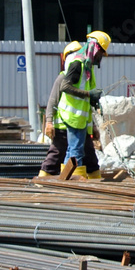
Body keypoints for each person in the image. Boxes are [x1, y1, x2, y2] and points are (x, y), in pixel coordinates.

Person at [38, 41, 102, 179]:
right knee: (56, 154)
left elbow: (85, 106)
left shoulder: (84, 77)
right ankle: (43, 181)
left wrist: (94, 127)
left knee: (89, 156)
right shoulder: (63, 77)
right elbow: (52, 101)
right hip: (63, 126)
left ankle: (94, 182)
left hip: (80, 124)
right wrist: (49, 122)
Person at [55, 30, 110, 179]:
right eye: (101, 54)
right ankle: (72, 184)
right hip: (73, 115)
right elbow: (65, 86)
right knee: (76, 151)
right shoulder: (77, 64)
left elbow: (85, 88)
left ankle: (65, 180)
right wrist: (88, 95)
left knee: (73, 150)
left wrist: (92, 99)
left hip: (79, 117)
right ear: (95, 48)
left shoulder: (87, 66)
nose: (100, 58)